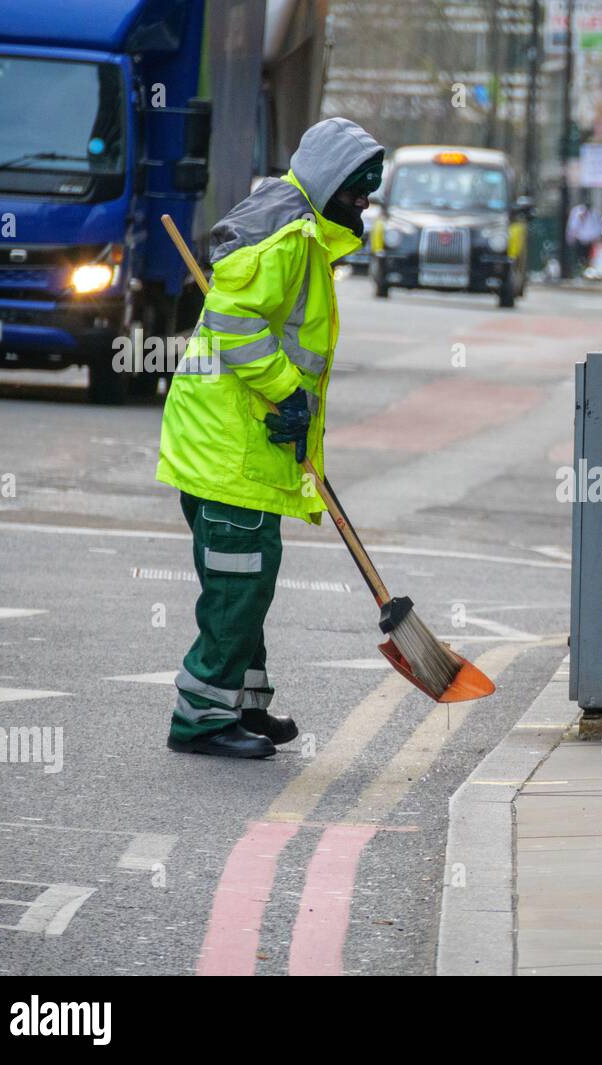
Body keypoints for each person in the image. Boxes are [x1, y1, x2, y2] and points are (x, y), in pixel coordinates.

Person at [156, 117, 384, 758]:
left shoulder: (300, 230)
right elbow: (234, 326)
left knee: (249, 579)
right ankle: (200, 719)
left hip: (234, 443)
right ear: (330, 182)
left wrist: (289, 403)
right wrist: (289, 394)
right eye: (359, 189)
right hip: (230, 447)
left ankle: (244, 703)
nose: (365, 203)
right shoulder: (288, 237)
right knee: (238, 584)